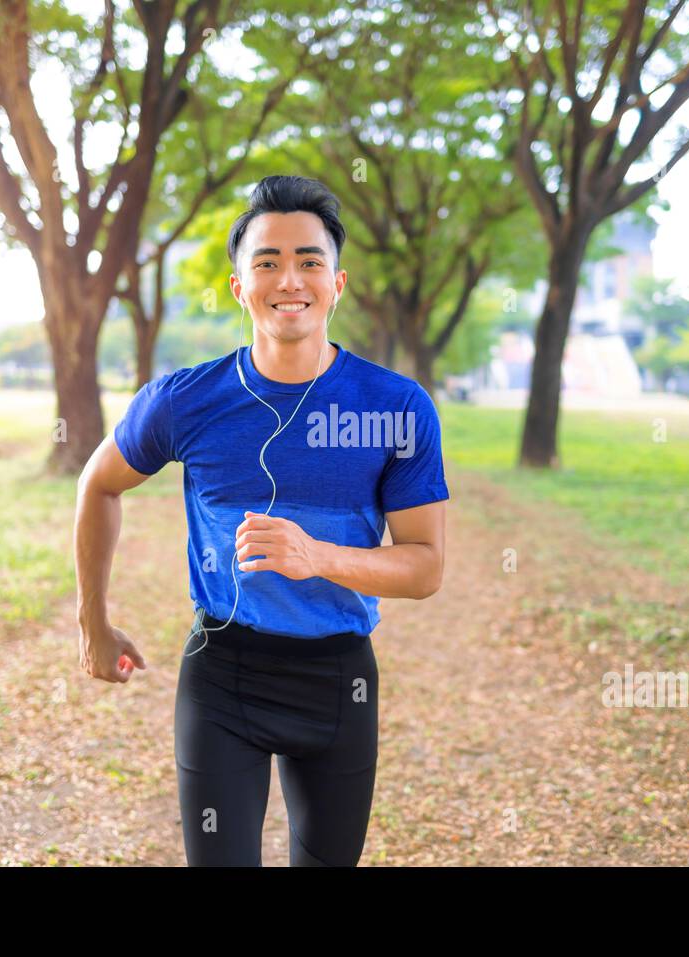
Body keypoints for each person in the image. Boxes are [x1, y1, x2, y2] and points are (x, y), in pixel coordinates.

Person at [73, 175, 450, 866]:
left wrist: (320, 556)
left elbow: (426, 565)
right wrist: (92, 621)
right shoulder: (184, 402)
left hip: (339, 679)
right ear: (239, 286)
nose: (289, 279)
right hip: (222, 672)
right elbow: (98, 485)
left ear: (338, 283)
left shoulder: (395, 406)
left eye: (309, 261)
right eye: (267, 262)